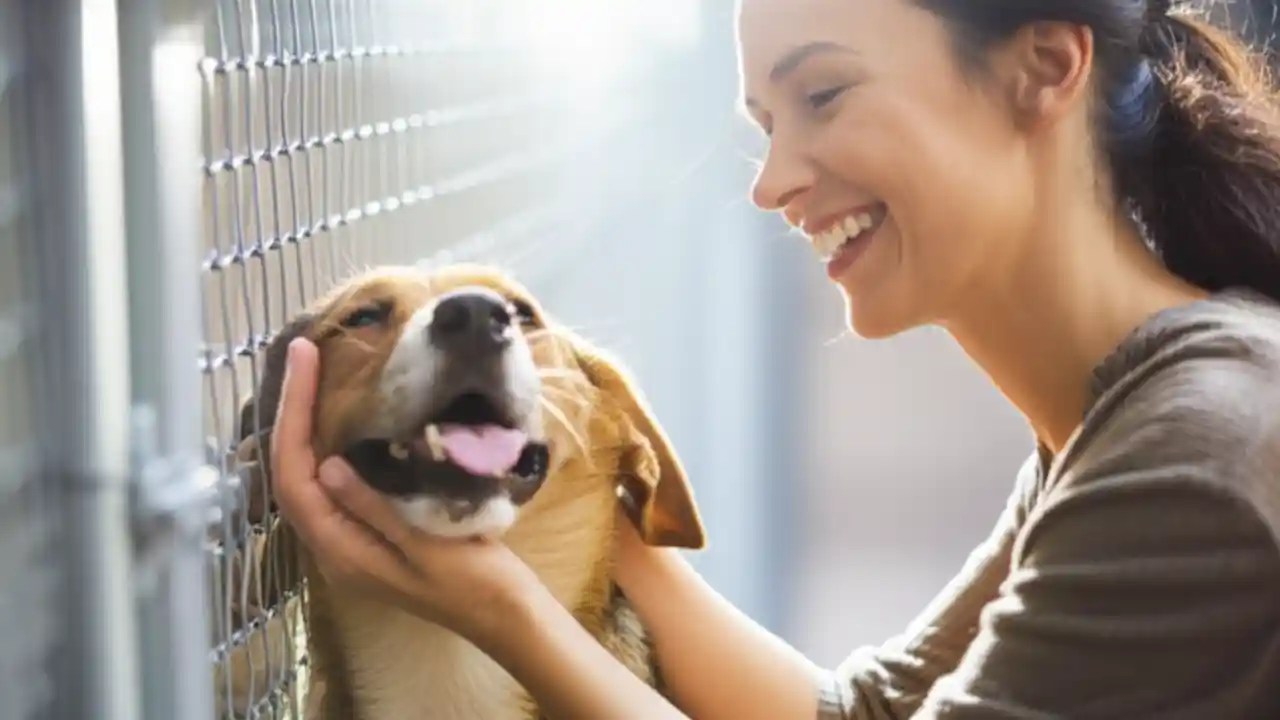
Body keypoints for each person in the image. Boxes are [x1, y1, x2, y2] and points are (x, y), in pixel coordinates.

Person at [268, 0, 1280, 717]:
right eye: (763, 126)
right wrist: (541, 452)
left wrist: (505, 611)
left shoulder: (1197, 451)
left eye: (823, 94)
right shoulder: (1110, 425)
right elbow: (866, 713)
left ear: (1045, 67)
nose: (771, 182)